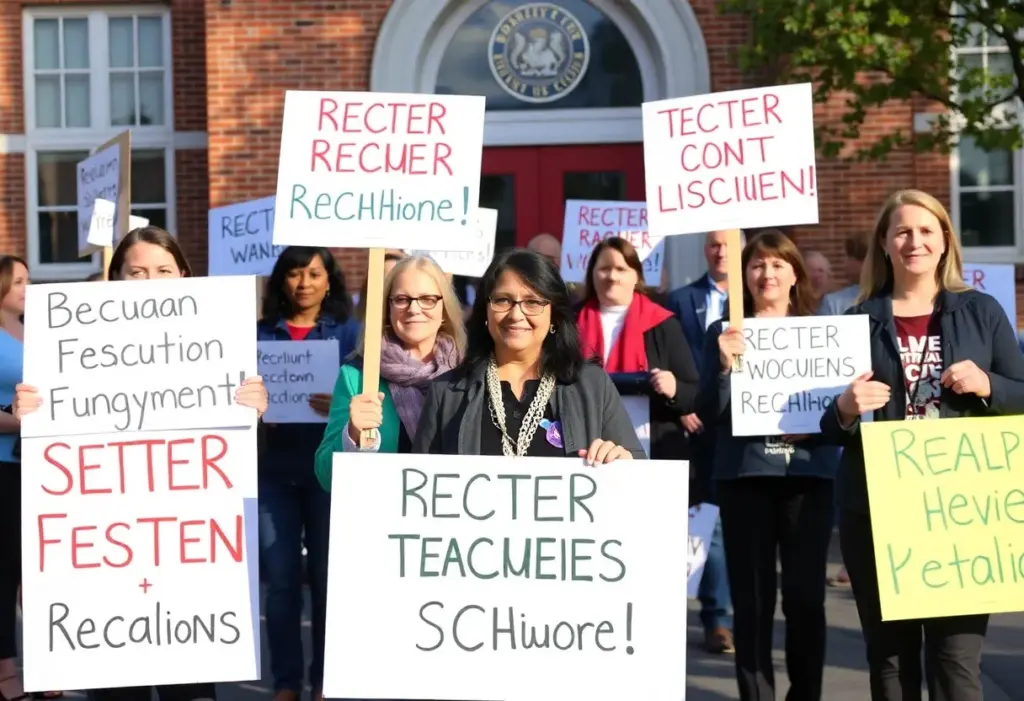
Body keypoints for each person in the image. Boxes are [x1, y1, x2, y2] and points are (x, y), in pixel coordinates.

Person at [13, 227, 269, 701]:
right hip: (108, 575)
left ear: (185, 277)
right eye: (137, 272)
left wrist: (250, 414)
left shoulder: (218, 349)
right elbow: (53, 467)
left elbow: (230, 464)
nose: (151, 282)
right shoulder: (71, 352)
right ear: (115, 280)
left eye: (164, 270)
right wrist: (30, 416)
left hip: (189, 573)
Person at [821, 189, 1024, 701]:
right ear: (885, 245)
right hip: (876, 509)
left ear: (944, 241)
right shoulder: (855, 320)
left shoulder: (981, 311)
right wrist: (845, 407)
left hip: (961, 510)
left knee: (955, 662)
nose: (915, 241)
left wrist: (989, 386)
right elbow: (825, 428)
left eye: (926, 230)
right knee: (890, 660)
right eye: (902, 232)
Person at [699, 230, 836, 701]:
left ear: (795, 274)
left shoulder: (822, 332)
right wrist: (722, 368)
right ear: (744, 276)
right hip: (745, 477)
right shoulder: (722, 333)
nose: (767, 273)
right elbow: (709, 412)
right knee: (753, 600)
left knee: (804, 600)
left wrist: (820, 425)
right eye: (757, 265)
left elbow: (840, 413)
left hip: (808, 477)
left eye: (778, 264)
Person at [413, 248, 644, 463]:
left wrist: (621, 461)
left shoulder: (593, 385)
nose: (516, 314)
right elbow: (420, 485)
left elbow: (638, 474)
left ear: (554, 315)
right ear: (485, 310)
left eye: (533, 302)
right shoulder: (447, 392)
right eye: (503, 300)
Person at [257, 246, 357, 701]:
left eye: (314, 274)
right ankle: (285, 682)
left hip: (327, 473)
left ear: (329, 281)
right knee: (280, 582)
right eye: (295, 274)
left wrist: (337, 399)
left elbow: (366, 395)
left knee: (326, 579)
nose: (304, 283)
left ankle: (323, 680)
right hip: (271, 471)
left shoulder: (350, 338)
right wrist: (256, 410)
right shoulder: (257, 335)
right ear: (281, 281)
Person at [314, 255, 465, 487]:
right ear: (388, 308)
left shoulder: (469, 374)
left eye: (427, 299)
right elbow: (326, 477)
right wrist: (352, 434)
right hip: (381, 517)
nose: (414, 309)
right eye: (402, 299)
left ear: (444, 308)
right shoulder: (357, 376)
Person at [666, 229, 738, 654]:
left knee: (725, 525)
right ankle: (705, 616)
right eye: (713, 242)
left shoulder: (755, 305)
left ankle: (726, 615)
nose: (720, 249)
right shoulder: (678, 300)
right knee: (699, 521)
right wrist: (685, 404)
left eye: (728, 243)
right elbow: (673, 358)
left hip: (734, 427)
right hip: (690, 424)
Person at [575, 237, 699, 459]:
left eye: (621, 269)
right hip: (585, 452)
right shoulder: (569, 322)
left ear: (637, 276)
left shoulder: (663, 324)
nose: (612, 276)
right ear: (592, 274)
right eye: (604, 268)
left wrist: (674, 388)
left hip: (652, 451)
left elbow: (693, 395)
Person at [818, 233, 869, 588]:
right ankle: (854, 562)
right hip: (846, 409)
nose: (847, 265)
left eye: (852, 257)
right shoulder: (836, 304)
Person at [0, 257, 28, 701]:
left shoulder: (41, 329)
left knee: (40, 571)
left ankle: (47, 663)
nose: (27, 286)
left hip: (46, 467)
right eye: (19, 280)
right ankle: (6, 669)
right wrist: (17, 424)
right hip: (5, 464)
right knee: (6, 571)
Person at [819, 235, 868, 317]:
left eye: (847, 257)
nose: (844, 264)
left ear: (863, 261)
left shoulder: (833, 302)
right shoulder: (892, 299)